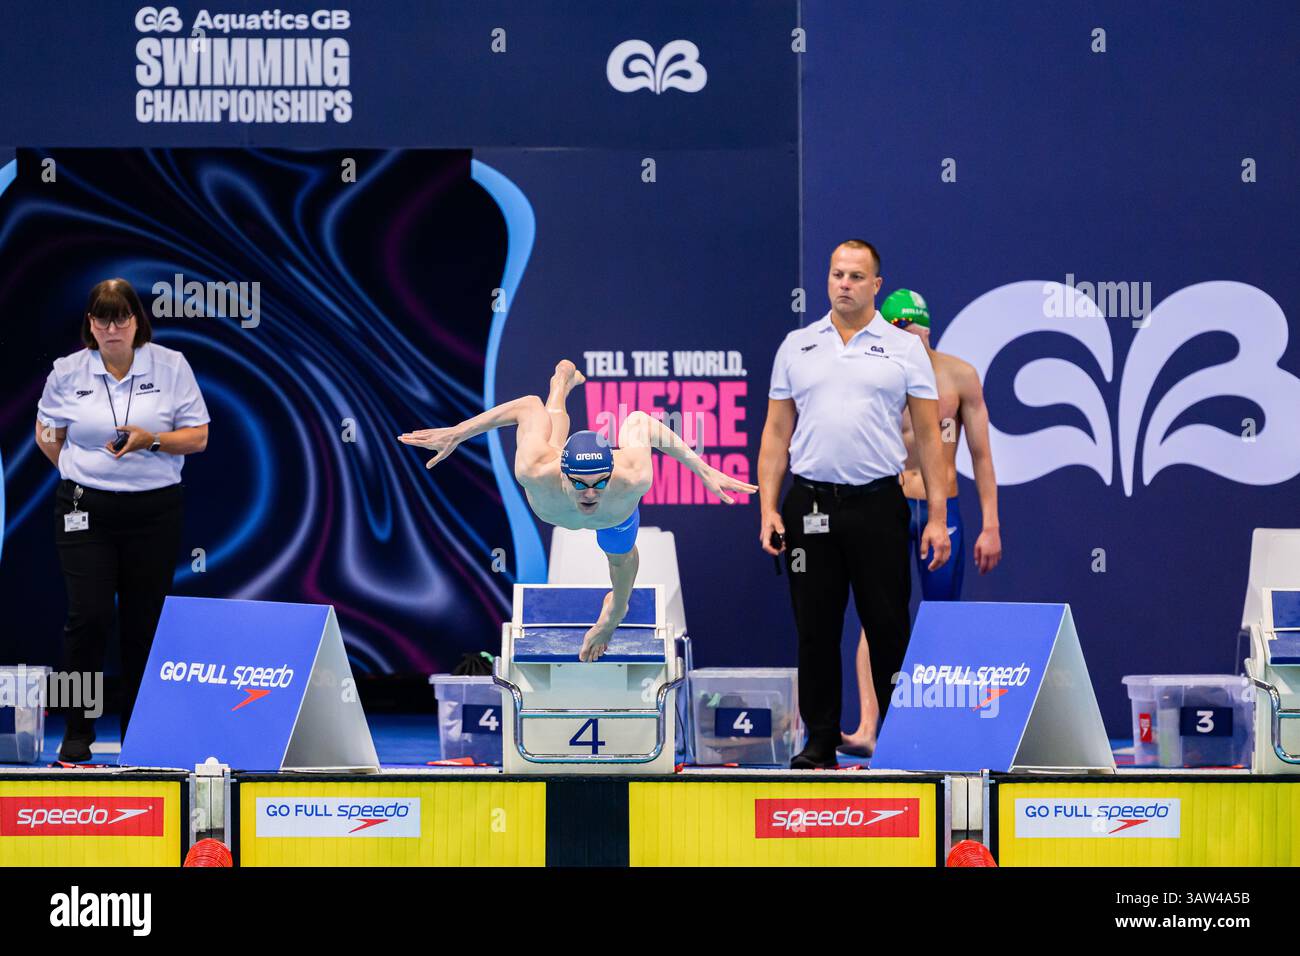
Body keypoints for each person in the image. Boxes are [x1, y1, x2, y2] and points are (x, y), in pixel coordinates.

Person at [400, 359, 756, 661]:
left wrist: (704, 469)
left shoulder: (631, 476)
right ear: (563, 474)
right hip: (554, 488)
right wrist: (458, 433)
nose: (590, 494)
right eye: (581, 483)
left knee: (620, 560)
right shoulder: (537, 469)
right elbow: (526, 406)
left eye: (600, 481)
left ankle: (615, 612)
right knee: (547, 427)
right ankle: (559, 384)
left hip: (613, 520)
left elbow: (641, 423)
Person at [758, 241, 950, 769]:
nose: (844, 283)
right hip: (810, 505)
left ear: (876, 285)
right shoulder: (797, 346)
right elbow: (776, 433)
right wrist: (768, 509)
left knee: (889, 626)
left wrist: (936, 517)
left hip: (878, 506)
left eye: (856, 276)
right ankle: (820, 741)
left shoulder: (905, 350)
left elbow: (931, 438)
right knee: (814, 628)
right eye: (837, 274)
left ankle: (901, 738)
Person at [34, 278, 210, 762]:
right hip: (83, 508)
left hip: (153, 509)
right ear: (90, 324)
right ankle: (76, 733)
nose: (112, 328)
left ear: (136, 321)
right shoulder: (68, 371)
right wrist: (79, 473)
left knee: (144, 625)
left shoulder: (171, 366)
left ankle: (141, 734)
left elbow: (197, 438)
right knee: (86, 619)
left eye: (121, 318)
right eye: (101, 318)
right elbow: (48, 431)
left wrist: (150, 440)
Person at [840, 289, 1003, 758]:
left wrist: (990, 524)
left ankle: (940, 727)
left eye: (913, 329)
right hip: (886, 506)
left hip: (941, 509)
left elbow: (982, 455)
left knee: (942, 620)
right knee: (877, 617)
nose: (906, 337)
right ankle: (870, 727)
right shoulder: (872, 377)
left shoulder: (958, 375)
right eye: (896, 330)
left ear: (928, 329)